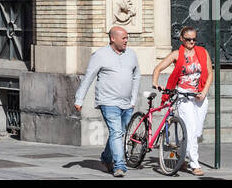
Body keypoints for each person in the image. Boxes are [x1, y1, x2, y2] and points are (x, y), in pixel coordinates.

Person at [74, 26, 140, 177]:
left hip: (127, 102)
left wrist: (133, 98)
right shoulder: (100, 55)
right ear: (113, 38)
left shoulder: (131, 54)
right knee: (116, 132)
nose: (126, 40)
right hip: (108, 101)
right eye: (123, 38)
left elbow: (136, 75)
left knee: (119, 132)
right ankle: (120, 165)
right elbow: (89, 76)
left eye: (127, 37)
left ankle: (106, 158)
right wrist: (79, 99)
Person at [151, 26, 211, 176]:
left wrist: (204, 93)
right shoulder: (176, 54)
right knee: (190, 130)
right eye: (188, 39)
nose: (192, 42)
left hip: (199, 96)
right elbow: (158, 68)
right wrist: (155, 82)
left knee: (196, 132)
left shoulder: (203, 53)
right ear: (182, 39)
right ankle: (194, 164)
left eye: (194, 39)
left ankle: (180, 154)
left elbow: (210, 74)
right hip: (183, 96)